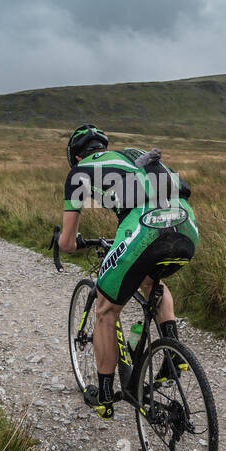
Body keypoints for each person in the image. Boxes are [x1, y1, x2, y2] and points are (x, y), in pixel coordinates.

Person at [55, 123, 198, 418]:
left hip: (144, 226)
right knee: (152, 282)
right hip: (185, 224)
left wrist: (62, 241)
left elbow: (68, 243)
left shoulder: (79, 172)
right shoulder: (132, 155)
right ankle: (173, 355)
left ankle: (105, 399)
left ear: (75, 156)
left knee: (106, 310)